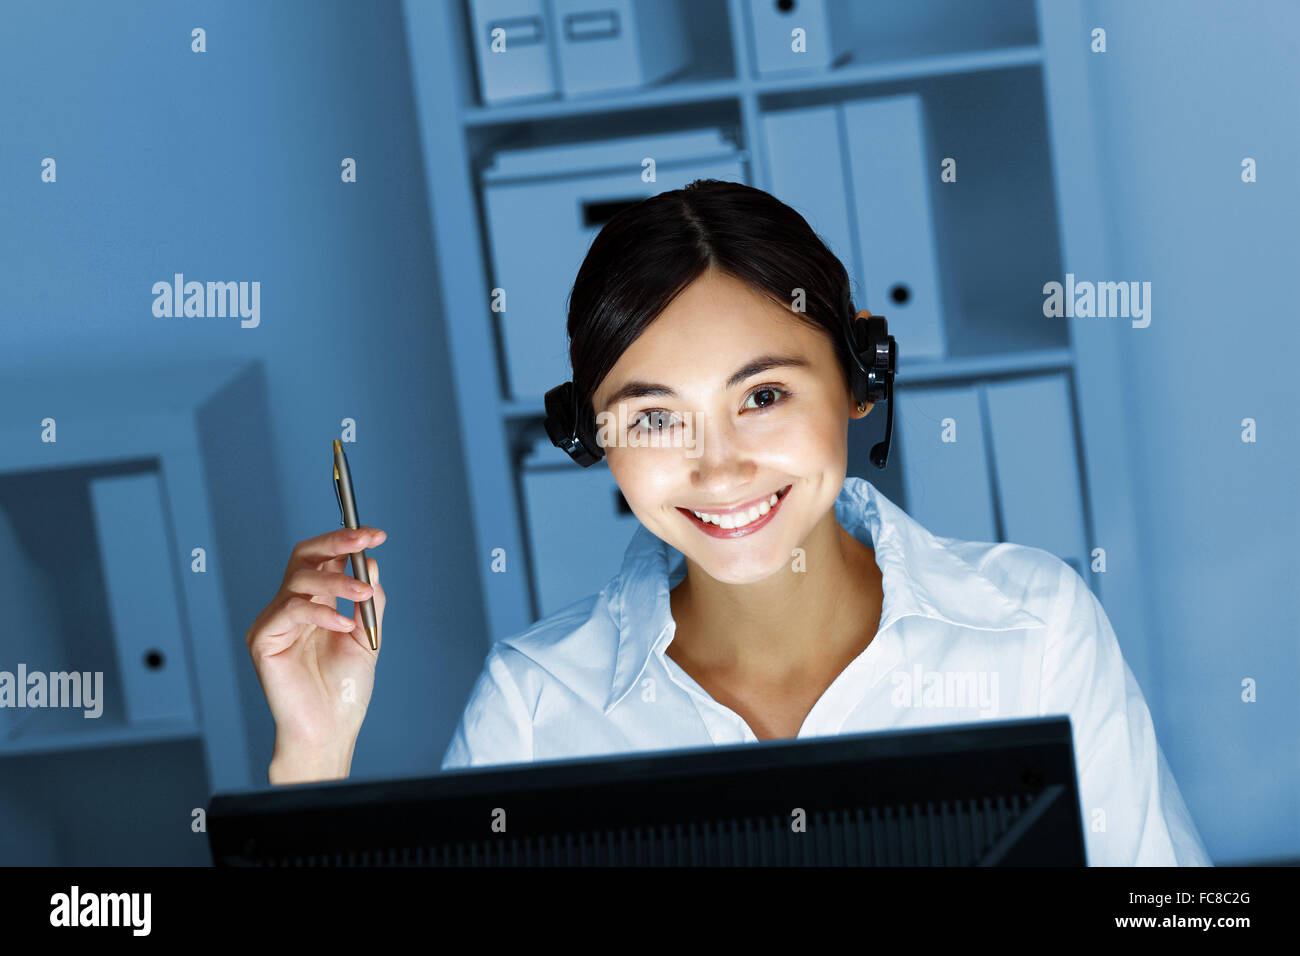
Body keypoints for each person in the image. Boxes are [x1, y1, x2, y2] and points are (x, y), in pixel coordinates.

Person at [246, 179, 1210, 866]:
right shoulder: (534, 706)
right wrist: (315, 758)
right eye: (654, 417)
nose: (718, 467)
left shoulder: (1033, 627)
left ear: (860, 382)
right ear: (594, 439)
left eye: (763, 396)